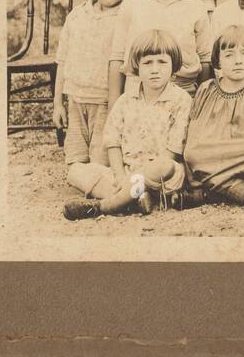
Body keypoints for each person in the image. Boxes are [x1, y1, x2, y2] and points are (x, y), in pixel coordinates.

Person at [64, 29, 191, 219]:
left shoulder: (181, 100)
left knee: (163, 166)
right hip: (126, 172)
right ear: (137, 66)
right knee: (76, 171)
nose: (155, 69)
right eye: (147, 63)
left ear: (173, 64)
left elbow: (173, 152)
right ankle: (135, 199)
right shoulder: (125, 101)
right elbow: (113, 142)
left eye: (162, 62)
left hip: (161, 178)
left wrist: (133, 179)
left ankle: (109, 205)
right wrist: (120, 176)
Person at [175, 25, 244, 208]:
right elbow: (193, 133)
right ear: (218, 60)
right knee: (193, 153)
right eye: (229, 55)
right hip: (212, 150)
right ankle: (243, 192)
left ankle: (208, 192)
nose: (238, 61)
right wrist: (192, 177)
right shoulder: (206, 89)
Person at [53, 0, 132, 170]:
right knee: (75, 162)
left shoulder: (128, 16)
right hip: (76, 101)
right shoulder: (77, 16)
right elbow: (62, 61)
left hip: (107, 103)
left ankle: (104, 184)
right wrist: (58, 103)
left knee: (101, 163)